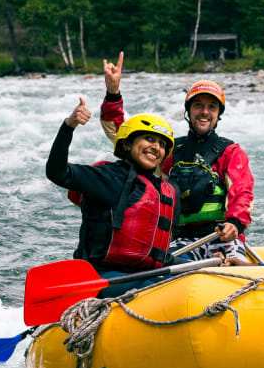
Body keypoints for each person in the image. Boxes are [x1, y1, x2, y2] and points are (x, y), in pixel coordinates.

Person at [98, 52, 255, 264]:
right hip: (181, 239)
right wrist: (113, 94)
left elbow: (242, 192)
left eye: (212, 107)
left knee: (235, 265)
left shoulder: (231, 152)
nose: (204, 112)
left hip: (222, 237)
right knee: (171, 266)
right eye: (198, 105)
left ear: (218, 114)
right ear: (188, 110)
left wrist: (236, 223)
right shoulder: (170, 150)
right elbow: (124, 134)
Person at [46, 97, 178, 273]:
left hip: (146, 276)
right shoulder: (108, 176)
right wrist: (68, 126)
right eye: (149, 139)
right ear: (128, 143)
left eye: (162, 144)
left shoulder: (167, 190)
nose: (156, 147)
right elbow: (57, 172)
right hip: (101, 277)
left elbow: (163, 256)